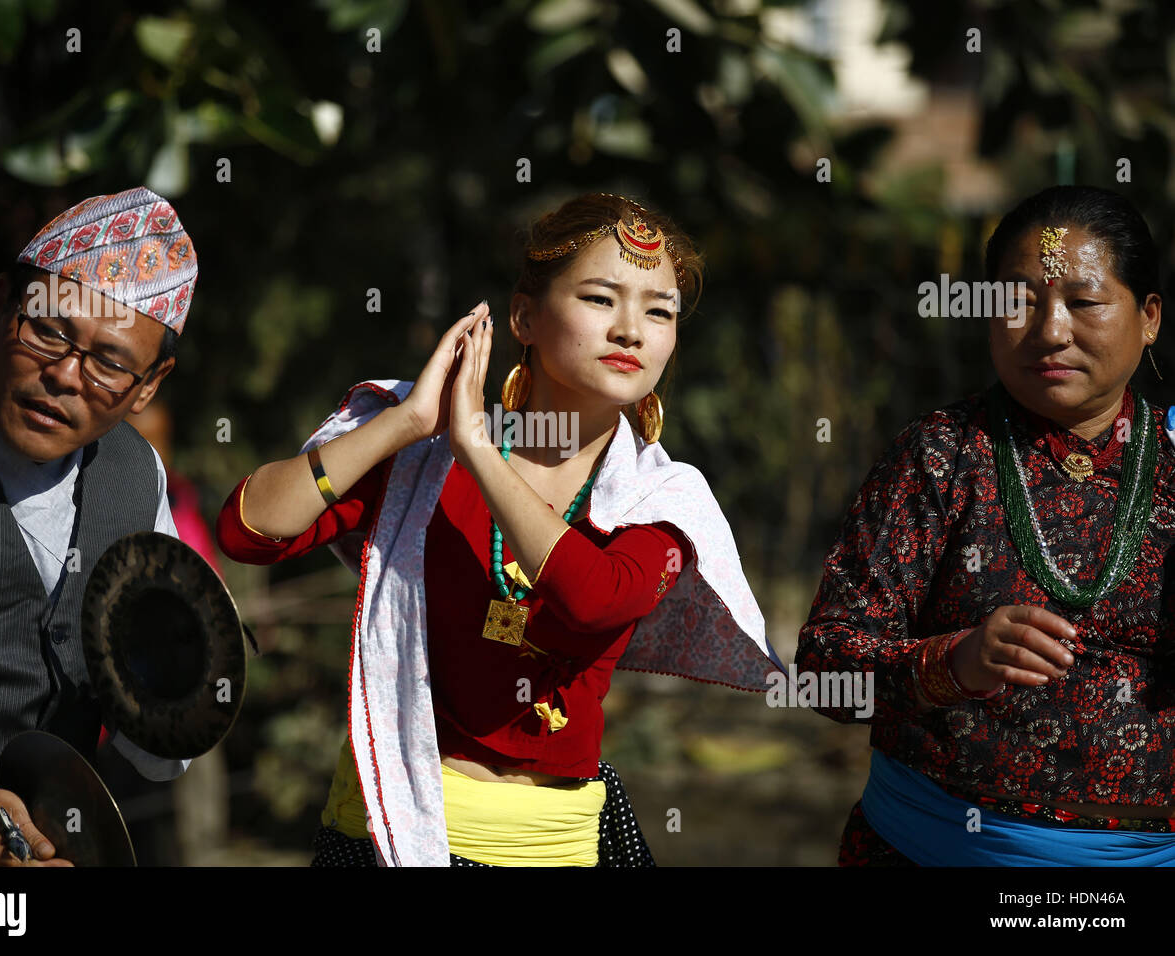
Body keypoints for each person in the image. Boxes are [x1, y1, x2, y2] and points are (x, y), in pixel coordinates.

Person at [216, 193, 778, 866]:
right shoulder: (421, 460)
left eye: (659, 311)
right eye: (602, 299)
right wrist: (402, 425)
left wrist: (479, 451)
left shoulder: (660, 499)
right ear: (524, 317)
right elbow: (249, 532)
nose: (632, 330)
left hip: (547, 848)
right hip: (387, 834)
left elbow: (596, 597)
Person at [797, 184, 1175, 865]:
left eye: (1084, 303)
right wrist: (954, 664)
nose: (1050, 330)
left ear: (1148, 316)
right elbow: (825, 668)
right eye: (1018, 301)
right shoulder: (940, 454)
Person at [0, 186, 198, 866]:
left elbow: (162, 739)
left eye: (109, 363)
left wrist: (175, 705)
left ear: (148, 385)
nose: (64, 376)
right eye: (47, 330)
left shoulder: (138, 478)